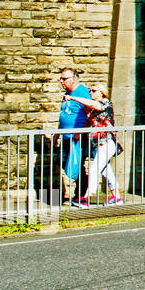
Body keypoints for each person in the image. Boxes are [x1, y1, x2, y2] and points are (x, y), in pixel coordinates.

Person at [80, 87, 123, 206]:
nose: (91, 93)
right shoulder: (91, 110)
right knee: (106, 171)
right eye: (90, 91)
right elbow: (88, 123)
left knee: (95, 168)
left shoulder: (105, 103)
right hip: (96, 144)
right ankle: (117, 197)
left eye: (94, 90)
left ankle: (87, 196)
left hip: (106, 142)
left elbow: (95, 105)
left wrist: (73, 97)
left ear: (102, 93)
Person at [57, 67, 91, 206]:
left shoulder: (82, 92)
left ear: (73, 78)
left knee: (78, 165)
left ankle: (82, 197)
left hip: (77, 137)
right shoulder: (67, 93)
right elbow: (65, 113)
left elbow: (90, 114)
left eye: (64, 79)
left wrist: (80, 131)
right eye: (61, 78)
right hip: (66, 136)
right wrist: (57, 133)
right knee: (66, 164)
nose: (61, 81)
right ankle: (78, 196)